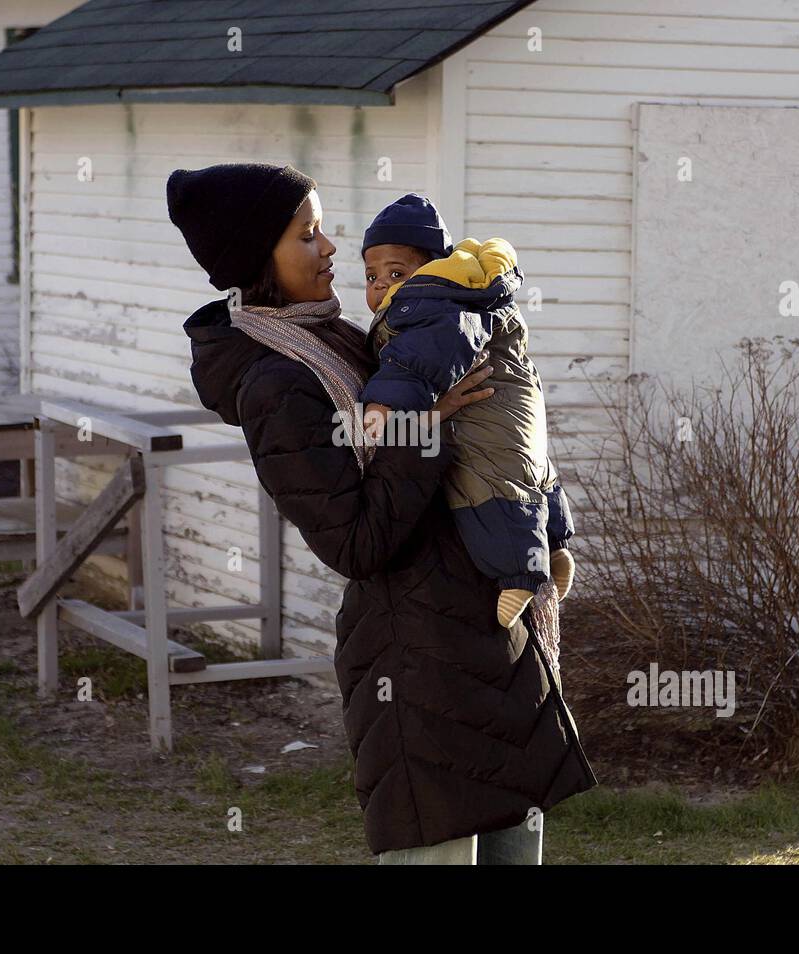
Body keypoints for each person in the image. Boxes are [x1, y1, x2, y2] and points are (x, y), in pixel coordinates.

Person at [166, 161, 598, 864]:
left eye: (323, 229)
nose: (330, 248)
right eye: (307, 235)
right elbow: (357, 542)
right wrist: (425, 426)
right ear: (258, 259)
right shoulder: (275, 383)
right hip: (419, 662)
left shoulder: (341, 336)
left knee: (515, 846)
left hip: (482, 624)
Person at [357, 193, 577, 632]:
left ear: (434, 268)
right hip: (514, 411)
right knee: (533, 473)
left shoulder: (432, 307)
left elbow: (417, 363)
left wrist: (383, 406)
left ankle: (519, 576)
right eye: (371, 275)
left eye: (396, 272)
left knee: (484, 484)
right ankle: (553, 547)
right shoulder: (462, 297)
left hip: (487, 413)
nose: (381, 284)